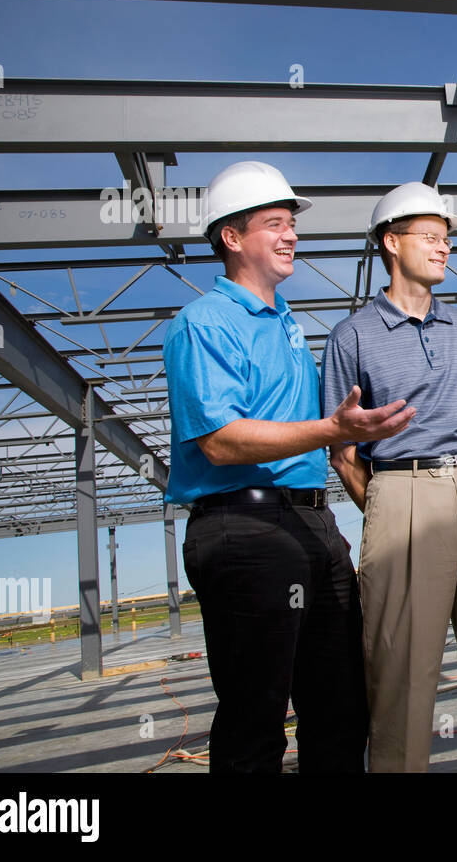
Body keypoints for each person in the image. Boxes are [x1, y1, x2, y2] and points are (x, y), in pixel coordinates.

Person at [165, 160, 415, 773]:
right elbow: (220, 441)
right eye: (274, 224)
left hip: (313, 527)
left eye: (292, 225)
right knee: (256, 715)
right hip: (243, 529)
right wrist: (333, 428)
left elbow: (325, 436)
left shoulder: (287, 326)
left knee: (341, 706)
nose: (291, 236)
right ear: (231, 237)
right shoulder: (204, 324)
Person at [321, 181, 457, 773]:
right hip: (399, 491)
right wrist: (391, 506)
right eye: (431, 237)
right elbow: (342, 452)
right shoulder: (352, 336)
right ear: (392, 243)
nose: (445, 248)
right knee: (402, 679)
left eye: (448, 239)